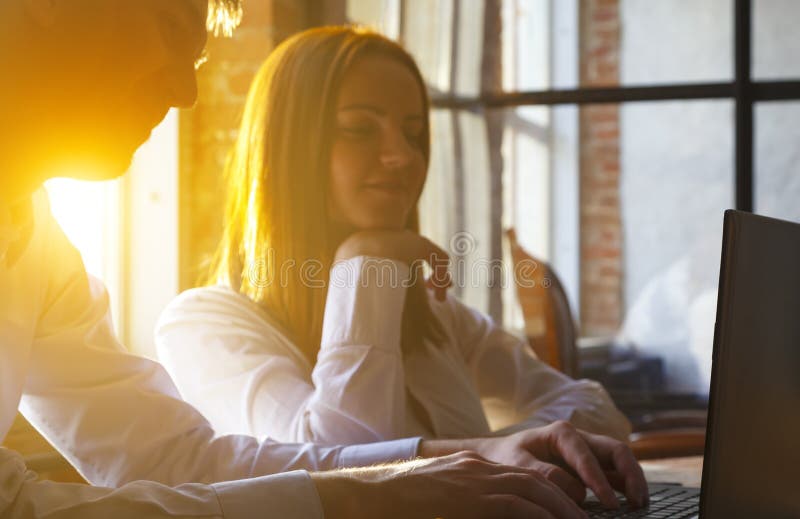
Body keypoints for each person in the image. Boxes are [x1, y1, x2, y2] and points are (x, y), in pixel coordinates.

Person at [0, 1, 647, 518]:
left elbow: (178, 459)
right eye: (171, 27)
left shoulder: (39, 245)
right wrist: (381, 489)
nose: (186, 93)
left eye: (414, 134)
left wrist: (481, 453)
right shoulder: (206, 320)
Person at [156, 26, 631, 452]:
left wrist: (495, 450)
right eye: (360, 129)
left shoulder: (433, 317)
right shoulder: (204, 326)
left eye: (414, 133)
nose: (402, 156)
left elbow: (598, 411)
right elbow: (347, 465)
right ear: (289, 151)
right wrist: (364, 261)